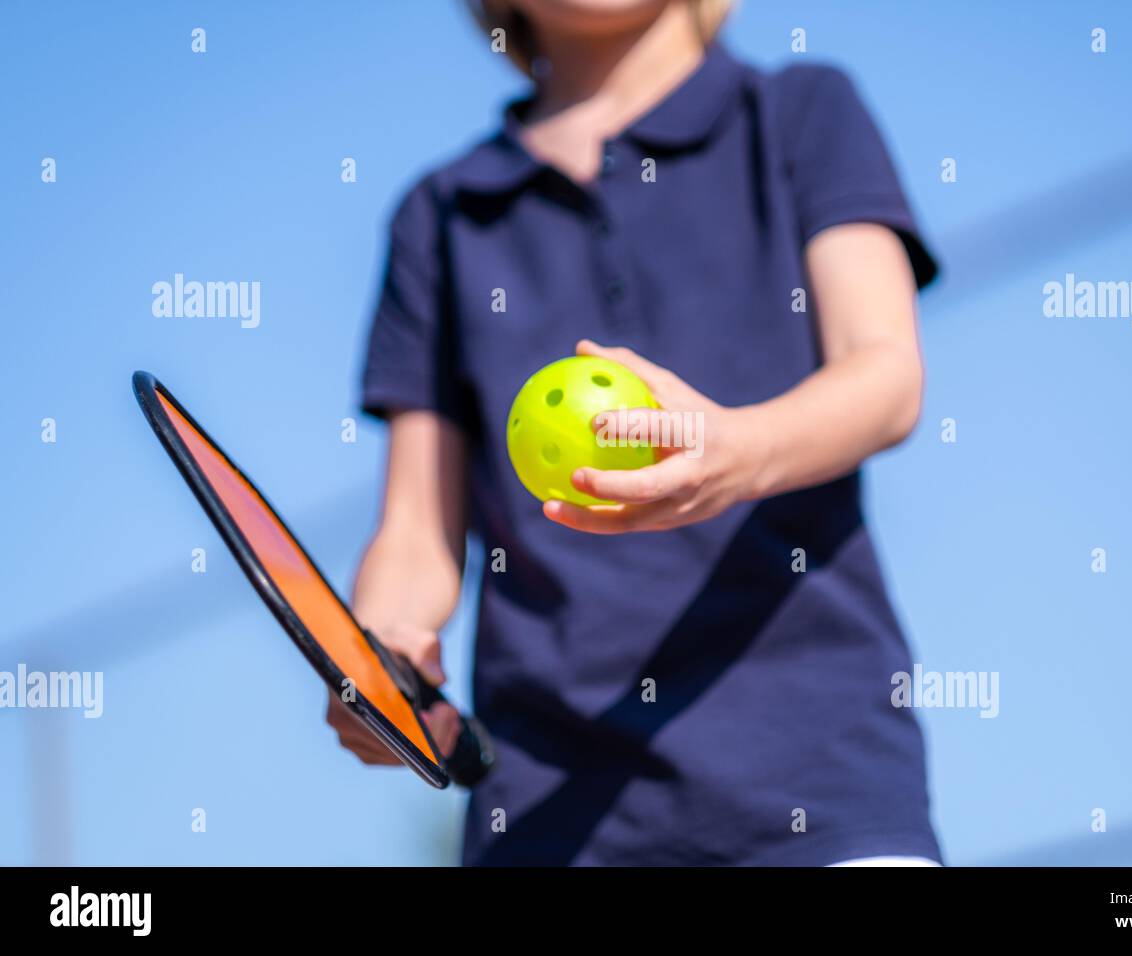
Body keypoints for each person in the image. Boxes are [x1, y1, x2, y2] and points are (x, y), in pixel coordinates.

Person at [328, 0, 943, 866]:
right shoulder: (442, 215)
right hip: (547, 822)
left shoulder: (802, 111)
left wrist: (737, 455)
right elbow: (416, 532)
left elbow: (886, 377)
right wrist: (385, 655)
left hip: (821, 786)